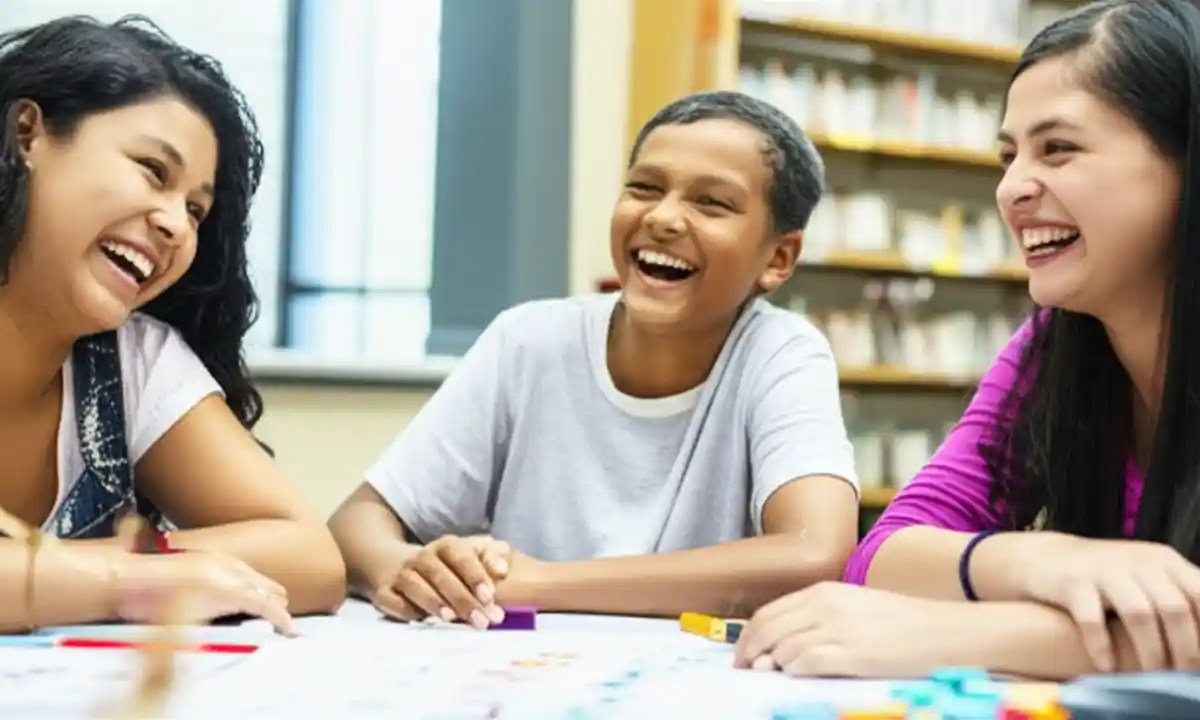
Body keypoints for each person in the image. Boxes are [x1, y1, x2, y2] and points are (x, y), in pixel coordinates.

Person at [735, 0, 1200, 678]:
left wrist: (979, 636)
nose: (1012, 188)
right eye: (1008, 154)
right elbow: (885, 552)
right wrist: (1041, 559)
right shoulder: (1054, 346)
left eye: (1059, 148)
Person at [329, 91, 860, 627]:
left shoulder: (781, 353)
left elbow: (815, 554)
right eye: (644, 188)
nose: (663, 217)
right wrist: (407, 569)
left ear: (778, 258)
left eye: (711, 203)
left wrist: (541, 583)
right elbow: (356, 521)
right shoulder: (528, 340)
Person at [0, 15, 345, 634]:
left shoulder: (132, 361)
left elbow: (311, 558)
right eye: (153, 171)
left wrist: (46, 574)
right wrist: (133, 579)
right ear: (29, 134)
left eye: (196, 210)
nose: (176, 227)